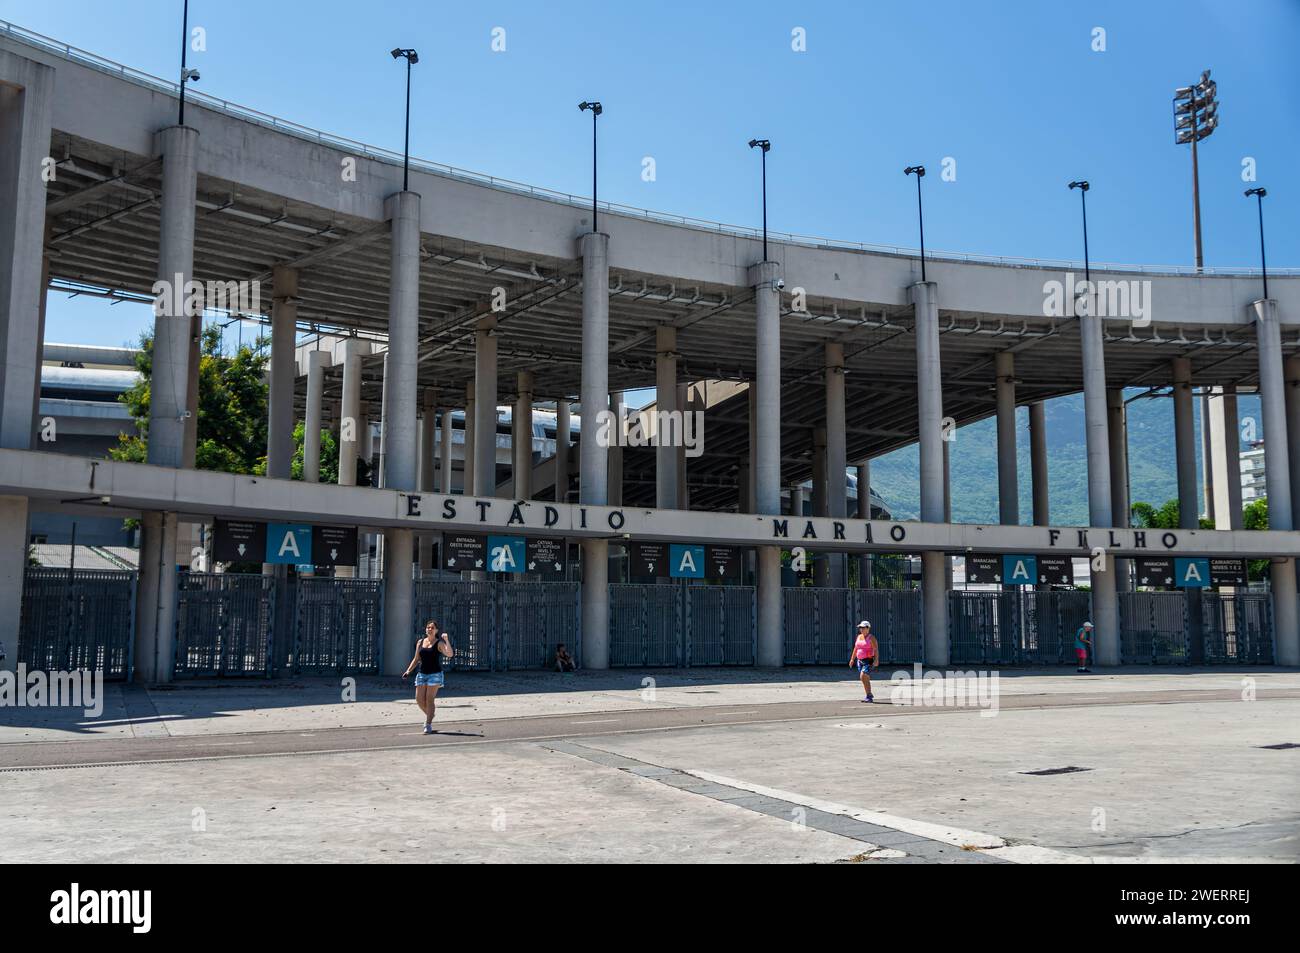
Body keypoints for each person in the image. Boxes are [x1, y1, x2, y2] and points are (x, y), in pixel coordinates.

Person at [402, 620, 454, 734]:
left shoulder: (439, 643)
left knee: (429, 699)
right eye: (428, 627)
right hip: (422, 674)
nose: (429, 629)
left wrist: (446, 640)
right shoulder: (420, 642)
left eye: (432, 628)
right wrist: (408, 671)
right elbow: (416, 659)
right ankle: (431, 714)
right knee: (419, 699)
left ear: (436, 630)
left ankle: (428, 723)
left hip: (435, 674)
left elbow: (450, 654)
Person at [848, 620, 879, 703]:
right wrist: (852, 659)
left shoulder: (871, 638)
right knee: (864, 679)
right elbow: (856, 648)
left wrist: (876, 660)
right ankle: (869, 695)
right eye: (860, 628)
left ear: (868, 628)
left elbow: (875, 649)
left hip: (868, 660)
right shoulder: (859, 637)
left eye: (863, 628)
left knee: (863, 675)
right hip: (860, 660)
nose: (861, 629)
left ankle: (869, 695)